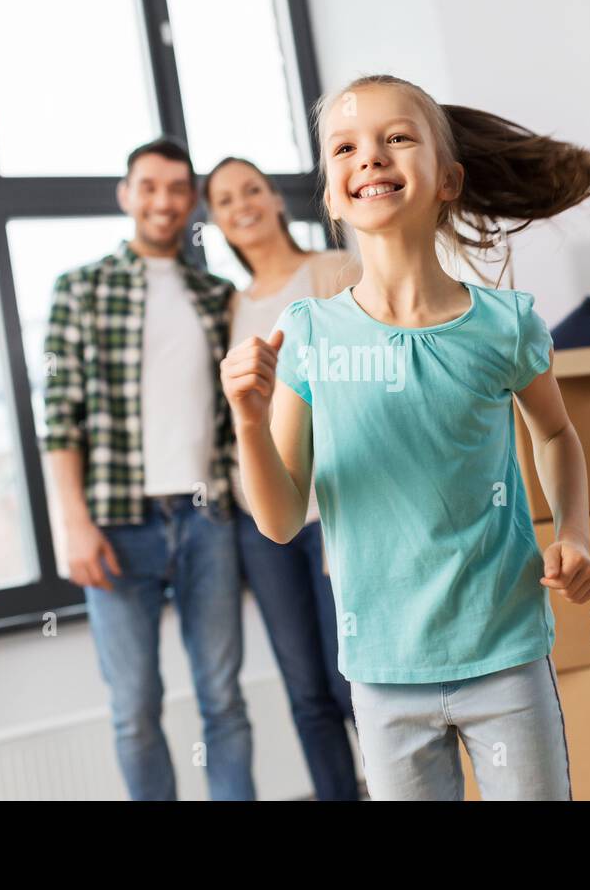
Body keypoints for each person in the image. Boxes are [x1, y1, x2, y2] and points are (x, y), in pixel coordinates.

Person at [220, 75, 590, 800]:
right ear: (333, 195)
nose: (370, 157)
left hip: (506, 656)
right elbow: (279, 522)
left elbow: (556, 434)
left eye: (397, 138)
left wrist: (576, 534)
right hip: (383, 675)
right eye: (345, 147)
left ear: (447, 180)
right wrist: (247, 420)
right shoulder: (308, 337)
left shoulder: (506, 324)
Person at [44, 137, 254, 801]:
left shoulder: (217, 295)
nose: (163, 201)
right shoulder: (80, 289)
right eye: (149, 187)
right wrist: (73, 523)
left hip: (205, 516)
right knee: (134, 708)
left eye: (176, 189)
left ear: (191, 201)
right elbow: (58, 415)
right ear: (127, 195)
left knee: (223, 697)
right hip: (117, 523)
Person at [204, 156, 362, 800]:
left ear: (274, 199)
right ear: (214, 220)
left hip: (334, 508)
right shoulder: (225, 307)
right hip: (263, 525)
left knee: (351, 679)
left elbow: (366, 390)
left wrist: (341, 516)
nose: (240, 204)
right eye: (222, 199)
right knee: (307, 694)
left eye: (251, 189)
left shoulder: (332, 271)